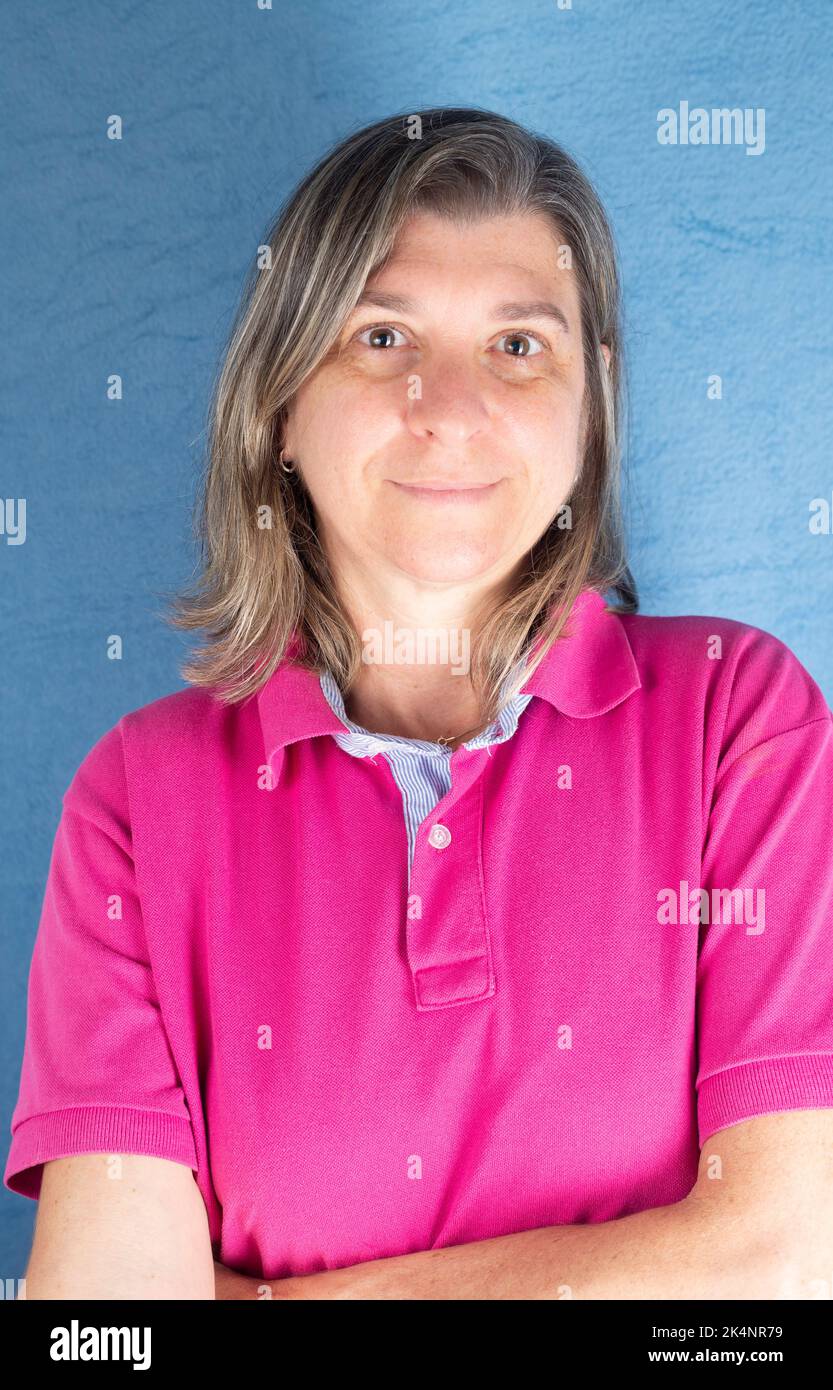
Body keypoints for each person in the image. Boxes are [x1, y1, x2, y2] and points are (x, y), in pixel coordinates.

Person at [6, 107, 833, 1301]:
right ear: (280, 404)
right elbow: (100, 1333)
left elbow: (786, 1263)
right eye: (382, 335)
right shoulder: (140, 797)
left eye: (516, 346)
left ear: (590, 401)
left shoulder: (738, 724)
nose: (448, 408)